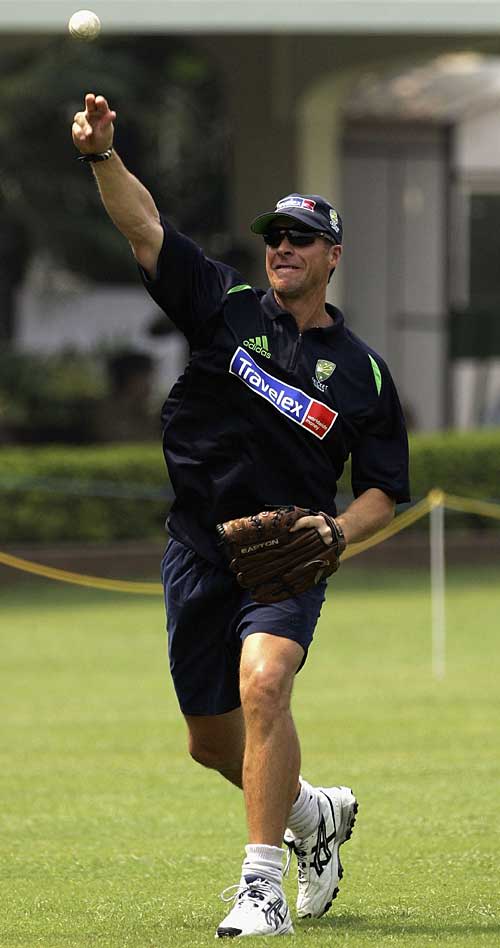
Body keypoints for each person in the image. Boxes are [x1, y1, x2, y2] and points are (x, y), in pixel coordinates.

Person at [72, 93, 410, 938]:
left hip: (284, 560)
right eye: (274, 235)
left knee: (266, 687)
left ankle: (260, 888)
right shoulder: (223, 306)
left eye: (300, 237)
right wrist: (102, 157)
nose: (281, 246)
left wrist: (336, 535)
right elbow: (145, 228)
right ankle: (312, 818)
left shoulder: (364, 375)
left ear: (333, 255)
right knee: (212, 746)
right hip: (196, 552)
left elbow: (382, 489)